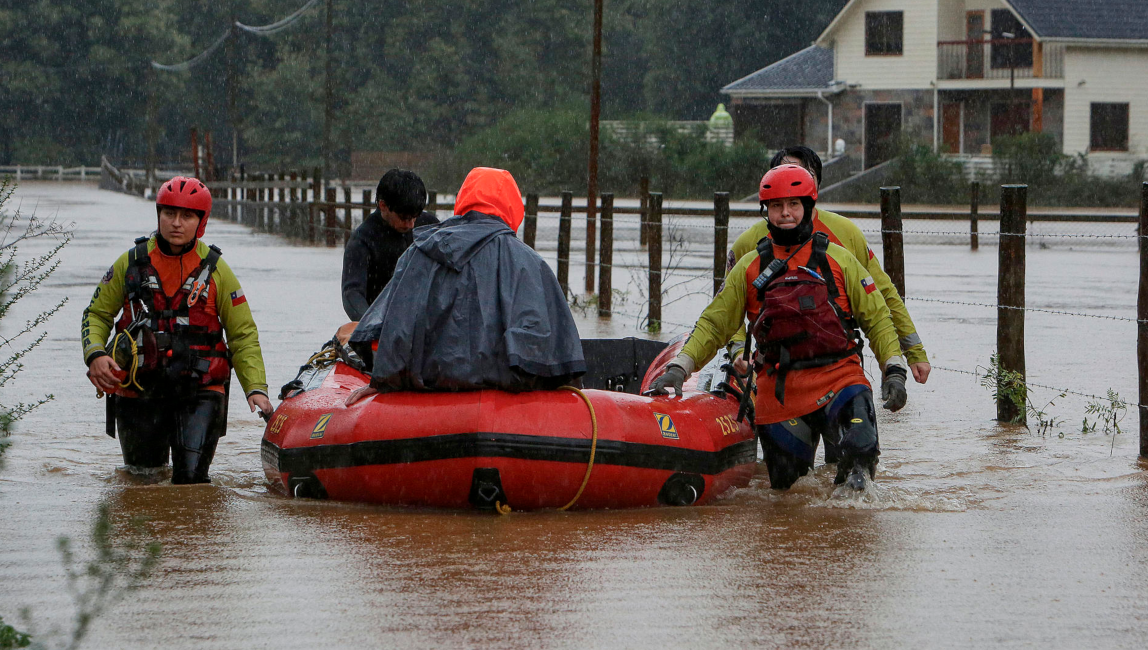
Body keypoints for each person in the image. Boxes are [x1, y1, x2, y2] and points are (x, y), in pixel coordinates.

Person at [647, 165, 908, 491]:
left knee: (859, 465)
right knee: (789, 495)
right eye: (776, 206)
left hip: (841, 380)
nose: (785, 213)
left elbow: (878, 318)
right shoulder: (748, 267)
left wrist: (894, 369)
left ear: (808, 207)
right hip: (780, 392)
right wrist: (679, 368)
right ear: (766, 211)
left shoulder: (840, 260)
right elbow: (714, 323)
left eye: (794, 205)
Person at [82, 176, 273, 484]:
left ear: (202, 221)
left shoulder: (218, 271)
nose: (176, 223)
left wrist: (256, 388)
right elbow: (96, 314)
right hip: (139, 389)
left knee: (192, 482)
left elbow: (243, 335)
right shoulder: (129, 264)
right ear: (158, 214)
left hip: (200, 390)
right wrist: (95, 355)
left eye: (187, 215)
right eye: (169, 213)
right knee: (142, 482)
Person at [346, 167, 585, 396]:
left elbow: (398, 323)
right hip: (505, 383)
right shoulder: (532, 264)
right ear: (514, 208)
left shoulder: (422, 248)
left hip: (432, 381)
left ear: (462, 200)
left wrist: (382, 380)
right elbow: (555, 341)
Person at [727, 146, 931, 385]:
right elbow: (727, 308)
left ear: (817, 187)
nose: (794, 180)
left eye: (804, 175)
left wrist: (912, 352)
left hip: (838, 367)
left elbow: (883, 296)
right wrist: (739, 351)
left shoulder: (847, 233)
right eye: (785, 173)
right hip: (772, 370)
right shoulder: (748, 243)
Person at [341, 169, 439, 321]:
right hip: (383, 321)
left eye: (415, 217)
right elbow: (352, 293)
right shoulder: (362, 241)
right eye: (404, 218)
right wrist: (370, 325)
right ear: (383, 205)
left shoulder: (431, 227)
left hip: (426, 320)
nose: (411, 224)